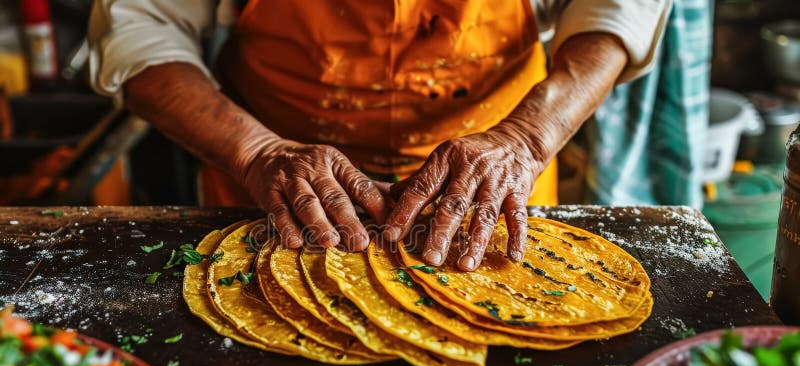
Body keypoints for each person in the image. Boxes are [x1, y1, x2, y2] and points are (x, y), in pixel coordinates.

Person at [88, 0, 670, 271]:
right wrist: (258, 152)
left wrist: (524, 140)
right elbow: (141, 24)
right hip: (277, 182)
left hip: (491, 182)